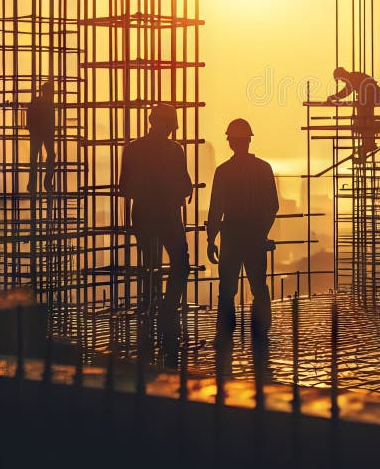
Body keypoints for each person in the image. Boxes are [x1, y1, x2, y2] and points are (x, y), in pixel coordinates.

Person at [119, 103, 192, 367]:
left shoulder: (133, 148)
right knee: (179, 263)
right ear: (170, 125)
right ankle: (167, 307)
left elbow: (124, 186)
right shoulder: (175, 151)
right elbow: (184, 184)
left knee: (149, 264)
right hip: (168, 214)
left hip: (144, 214)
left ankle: (151, 304)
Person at [207, 118, 279, 364]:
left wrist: (210, 238)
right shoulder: (263, 169)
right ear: (248, 141)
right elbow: (272, 206)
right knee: (259, 286)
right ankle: (261, 333)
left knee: (227, 289)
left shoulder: (223, 171)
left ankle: (225, 333)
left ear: (231, 143)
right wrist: (261, 232)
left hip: (232, 236)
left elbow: (216, 208)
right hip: (254, 235)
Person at [327, 67, 380, 161]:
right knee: (364, 120)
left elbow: (346, 92)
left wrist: (333, 97)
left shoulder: (352, 78)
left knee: (365, 120)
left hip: (370, 97)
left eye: (340, 79)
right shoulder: (353, 77)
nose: (341, 81)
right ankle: (368, 143)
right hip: (369, 97)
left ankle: (369, 144)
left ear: (342, 75)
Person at [27, 80, 55, 193]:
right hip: (43, 133)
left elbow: (29, 117)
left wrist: (31, 129)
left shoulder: (37, 101)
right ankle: (46, 183)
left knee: (34, 158)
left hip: (39, 133)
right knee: (47, 156)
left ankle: (33, 184)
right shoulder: (48, 103)